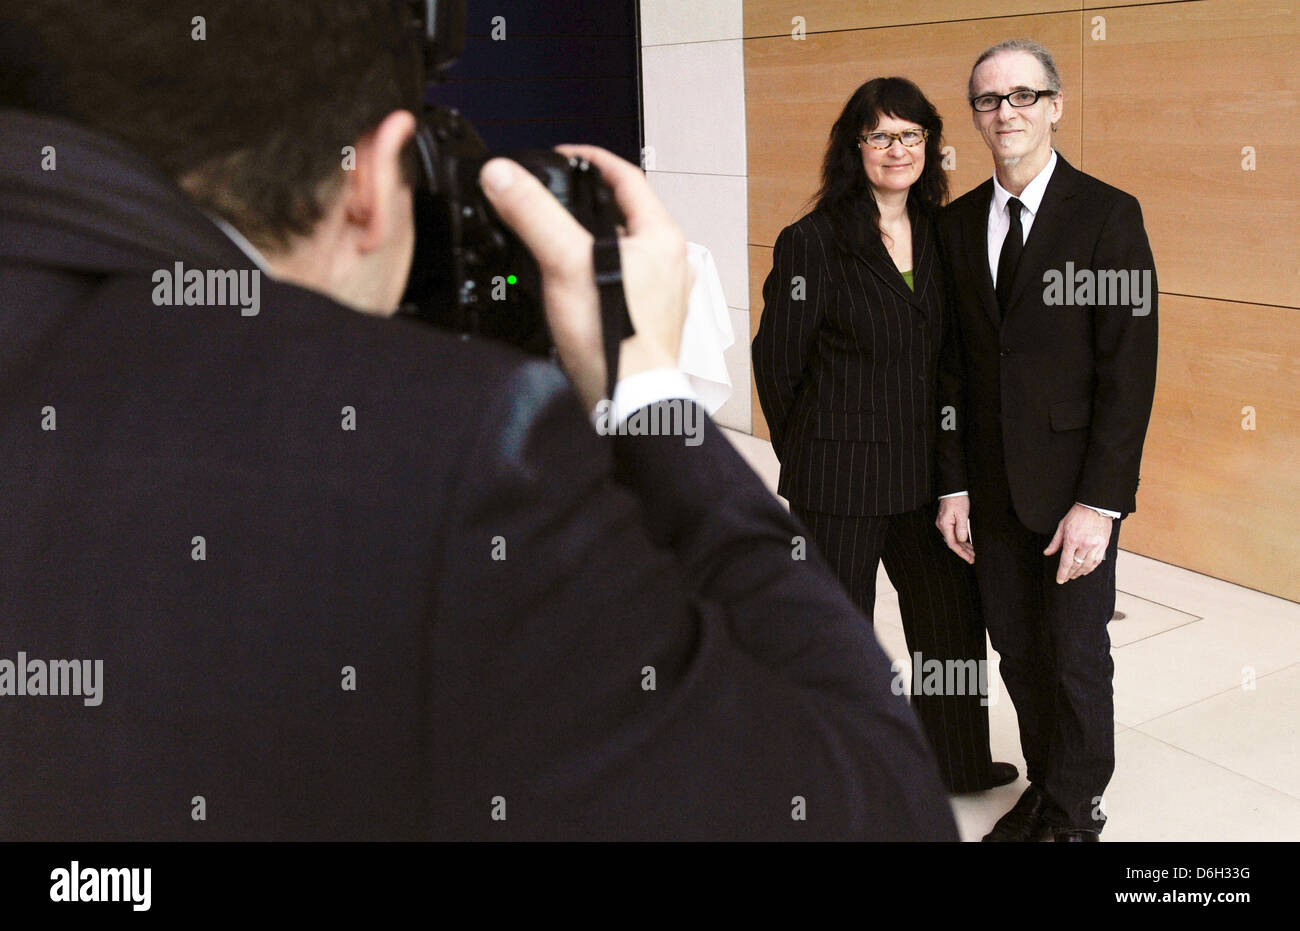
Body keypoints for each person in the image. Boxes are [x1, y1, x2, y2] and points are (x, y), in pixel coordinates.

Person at [0, 1, 958, 840]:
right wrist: (649, 393)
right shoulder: (456, 456)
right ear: (373, 181)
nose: (898, 151)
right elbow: (871, 804)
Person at [752, 77, 1016, 794]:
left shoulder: (945, 232)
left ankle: (956, 761)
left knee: (951, 624)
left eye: (911, 135)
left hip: (929, 475)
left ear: (929, 145)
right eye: (880, 136)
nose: (897, 150)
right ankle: (826, 779)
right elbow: (776, 363)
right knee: (835, 633)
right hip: (839, 477)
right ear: (855, 148)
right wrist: (807, 454)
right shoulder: (814, 242)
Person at [934, 39, 1158, 841]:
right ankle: (1048, 784)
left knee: (1073, 654)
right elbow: (950, 368)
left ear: (1055, 106)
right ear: (975, 116)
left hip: (1074, 490)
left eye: (1023, 96)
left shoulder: (1108, 215)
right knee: (1019, 652)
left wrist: (1102, 502)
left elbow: (1128, 372)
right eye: (990, 100)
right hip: (991, 487)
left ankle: (1075, 812)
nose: (1007, 112)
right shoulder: (956, 224)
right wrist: (952, 482)